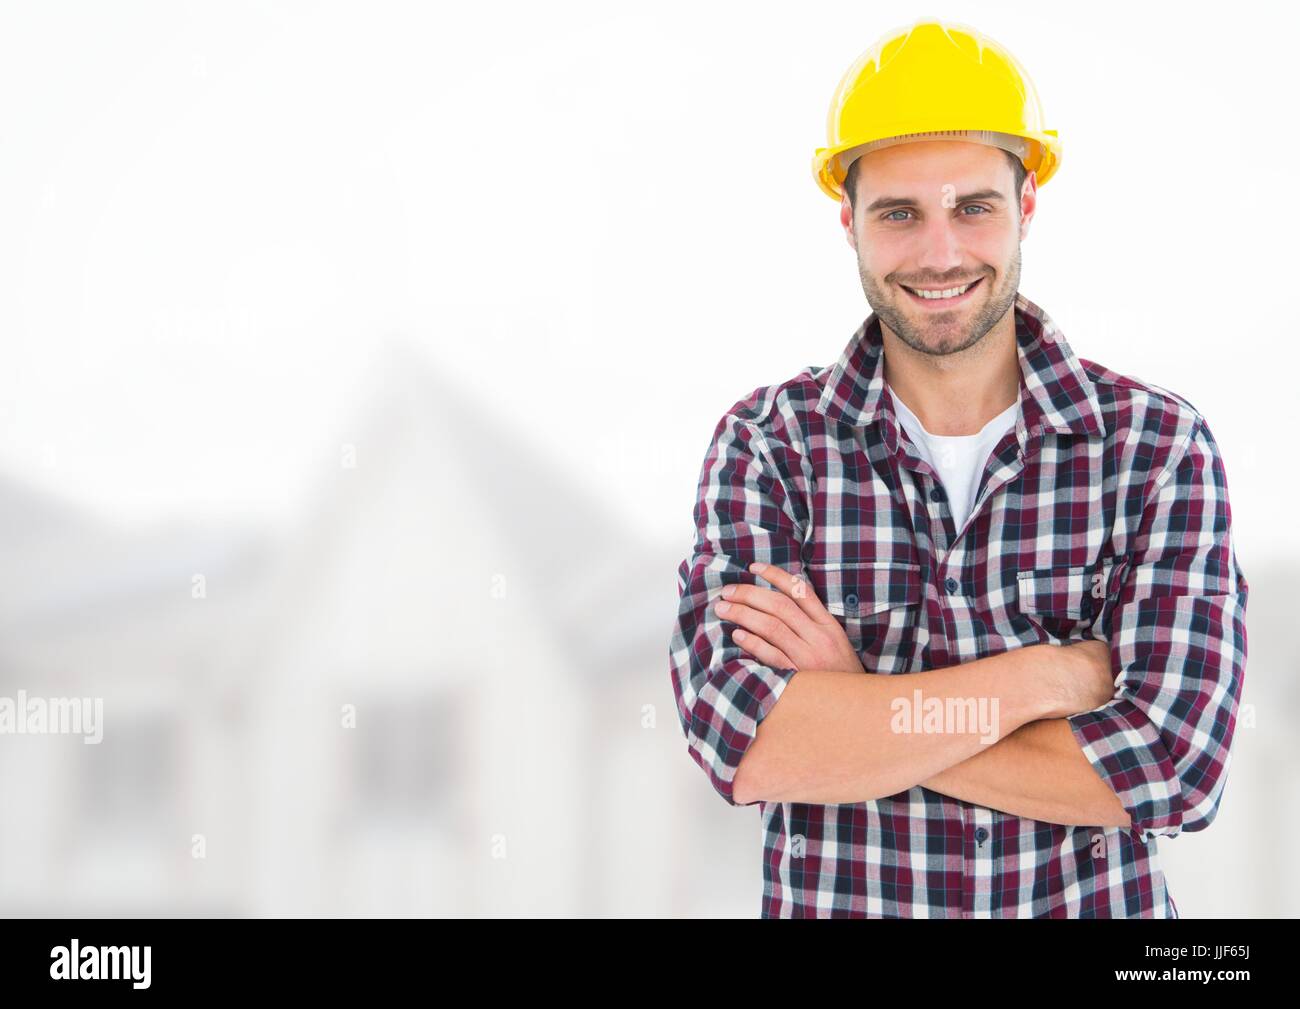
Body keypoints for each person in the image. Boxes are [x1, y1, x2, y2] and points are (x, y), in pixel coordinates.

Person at [667, 18, 1248, 918]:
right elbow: (743, 743)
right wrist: (1046, 680)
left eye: (973, 206)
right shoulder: (769, 447)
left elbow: (1174, 768)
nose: (940, 253)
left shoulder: (1154, 449)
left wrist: (860, 708)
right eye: (900, 213)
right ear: (848, 222)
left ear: (1027, 207)